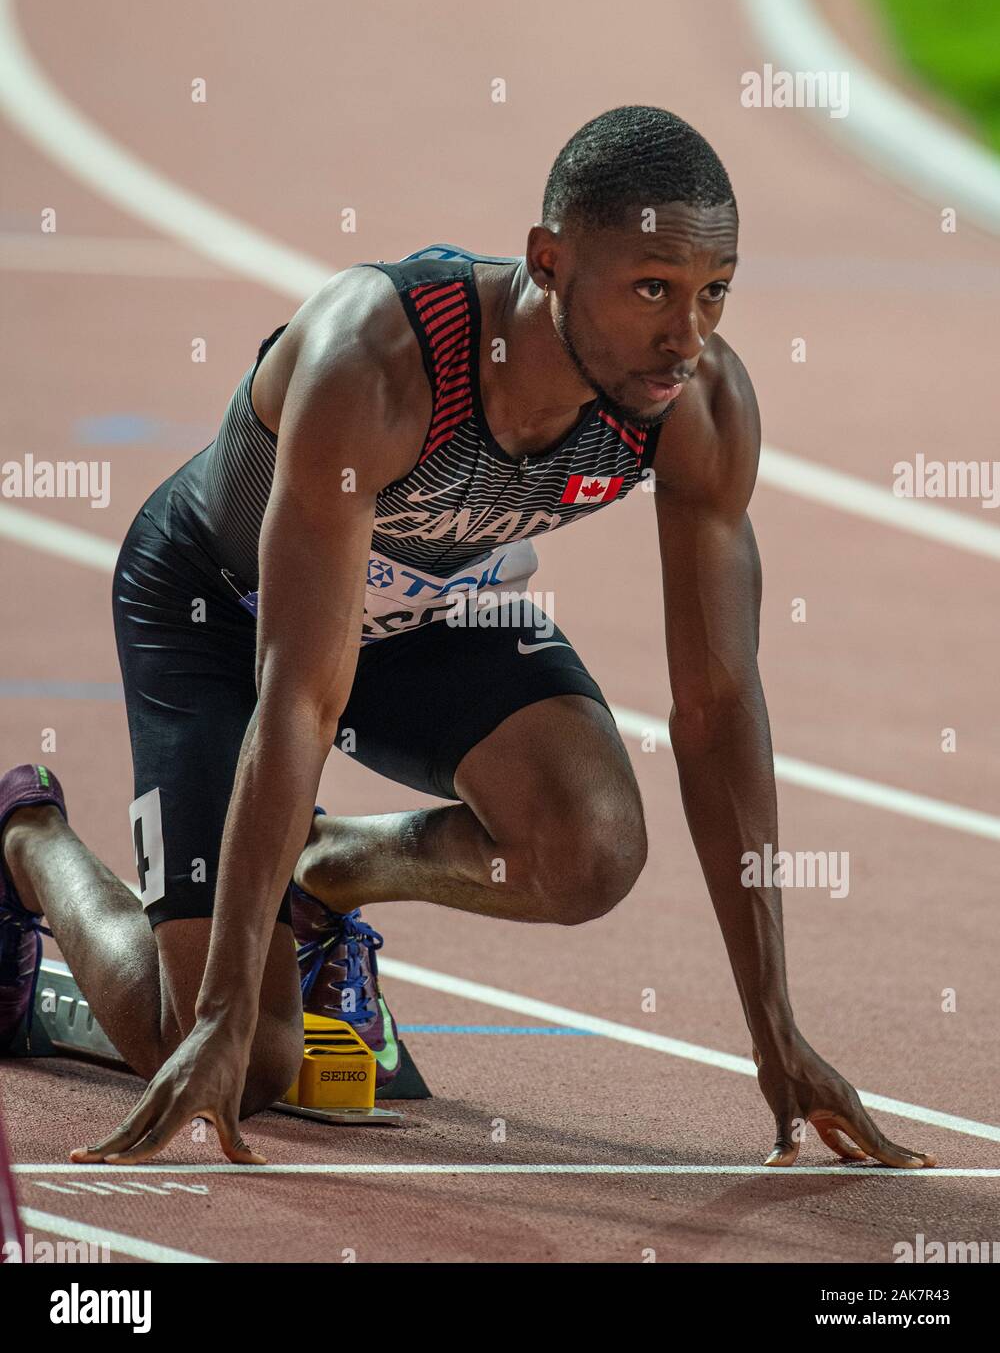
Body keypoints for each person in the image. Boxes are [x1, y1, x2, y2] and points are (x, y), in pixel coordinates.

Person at [0, 105, 935, 1169]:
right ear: (547, 261)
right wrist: (218, 1007)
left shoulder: (697, 402)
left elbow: (716, 709)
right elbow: (301, 695)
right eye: (651, 289)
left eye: (713, 290)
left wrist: (775, 1028)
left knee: (590, 849)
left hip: (436, 613)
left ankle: (318, 868)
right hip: (227, 613)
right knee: (241, 1059)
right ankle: (29, 841)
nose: (689, 333)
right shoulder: (379, 362)